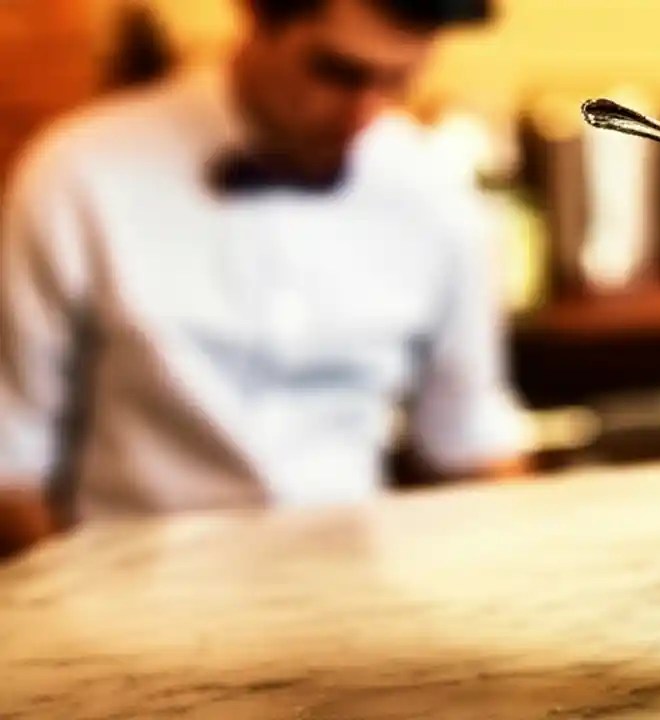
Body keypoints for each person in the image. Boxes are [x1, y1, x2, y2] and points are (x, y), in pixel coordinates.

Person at [0, 0, 527, 557]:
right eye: (336, 72)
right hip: (134, 604)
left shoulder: (436, 195)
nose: (364, 111)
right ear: (258, 19)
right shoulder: (77, 176)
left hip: (355, 601)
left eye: (396, 81)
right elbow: (10, 463)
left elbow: (470, 439)